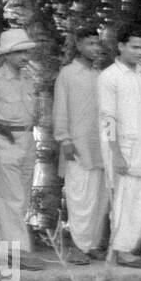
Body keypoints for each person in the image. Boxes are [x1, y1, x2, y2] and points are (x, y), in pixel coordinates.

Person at [98, 23, 141, 269]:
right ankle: (123, 250)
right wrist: (115, 154)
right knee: (129, 200)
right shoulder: (109, 77)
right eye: (134, 47)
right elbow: (107, 118)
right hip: (124, 148)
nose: (139, 51)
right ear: (121, 46)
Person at [0, 28, 43, 265]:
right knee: (12, 198)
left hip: (26, 139)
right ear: (5, 55)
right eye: (18, 52)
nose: (24, 56)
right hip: (3, 141)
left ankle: (2, 250)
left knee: (22, 198)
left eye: (25, 51)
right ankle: (19, 253)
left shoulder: (27, 79)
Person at [53, 26, 108, 262]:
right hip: (76, 146)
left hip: (100, 146)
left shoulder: (101, 76)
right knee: (79, 197)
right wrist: (64, 139)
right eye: (90, 44)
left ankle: (92, 245)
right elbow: (60, 109)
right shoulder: (67, 74)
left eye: (97, 44)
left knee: (98, 199)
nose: (95, 48)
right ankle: (76, 246)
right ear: (78, 46)